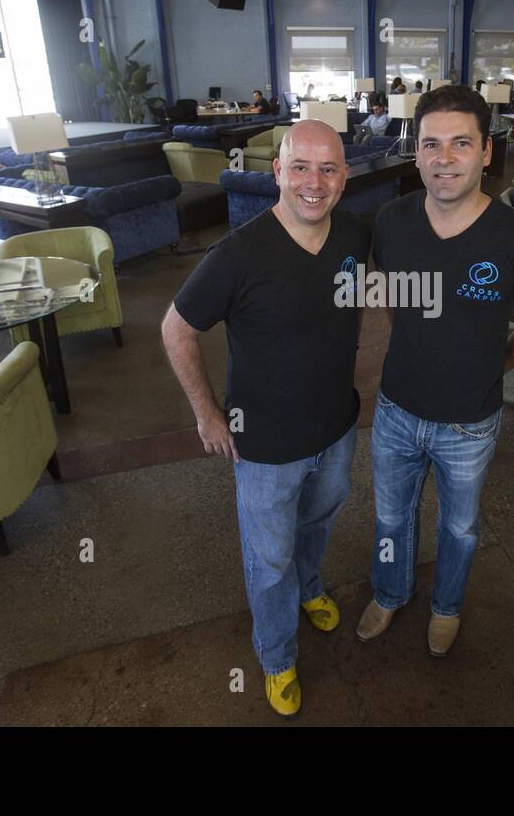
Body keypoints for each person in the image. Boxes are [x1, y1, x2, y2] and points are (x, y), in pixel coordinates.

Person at [162, 119, 370, 718]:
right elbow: (176, 330)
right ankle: (277, 655)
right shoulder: (237, 254)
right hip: (265, 447)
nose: (313, 182)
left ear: (344, 177)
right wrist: (206, 414)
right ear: (275, 172)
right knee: (269, 557)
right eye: (299, 167)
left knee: (319, 523)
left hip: (336, 429)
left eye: (327, 168)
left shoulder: (354, 234)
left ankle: (311, 589)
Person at [356, 85, 514, 657]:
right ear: (416, 152)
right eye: (431, 145)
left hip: (470, 422)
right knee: (391, 519)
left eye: (460, 143)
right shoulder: (391, 222)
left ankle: (446, 606)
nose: (444, 158)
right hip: (396, 408)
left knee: (460, 529)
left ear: (487, 152)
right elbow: (390, 298)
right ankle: (390, 592)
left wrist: (488, 365)